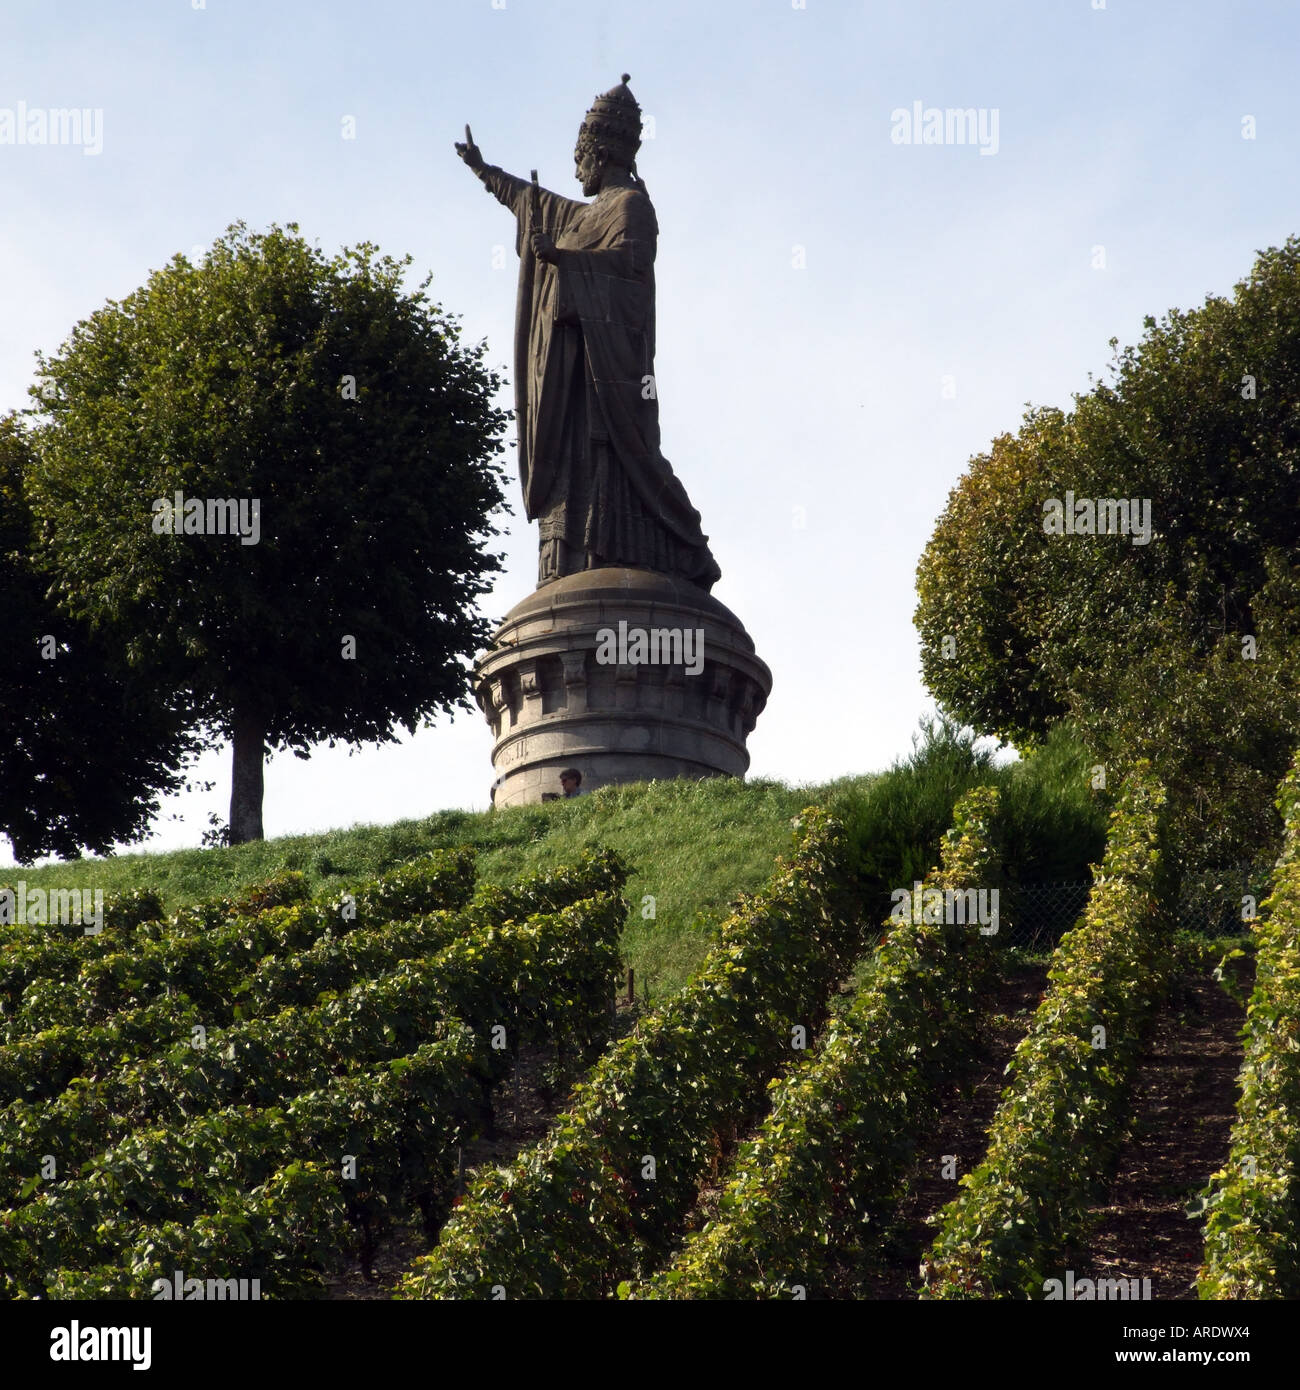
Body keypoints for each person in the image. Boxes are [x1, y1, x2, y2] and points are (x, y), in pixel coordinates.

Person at [454, 77, 721, 591]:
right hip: (571, 378)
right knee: (573, 465)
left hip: (609, 376)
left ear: (598, 154)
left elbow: (631, 270)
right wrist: (486, 172)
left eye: (579, 160)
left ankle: (675, 547)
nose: (576, 172)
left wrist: (564, 260)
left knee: (622, 456)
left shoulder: (630, 208)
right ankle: (576, 557)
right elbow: (533, 203)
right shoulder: (585, 214)